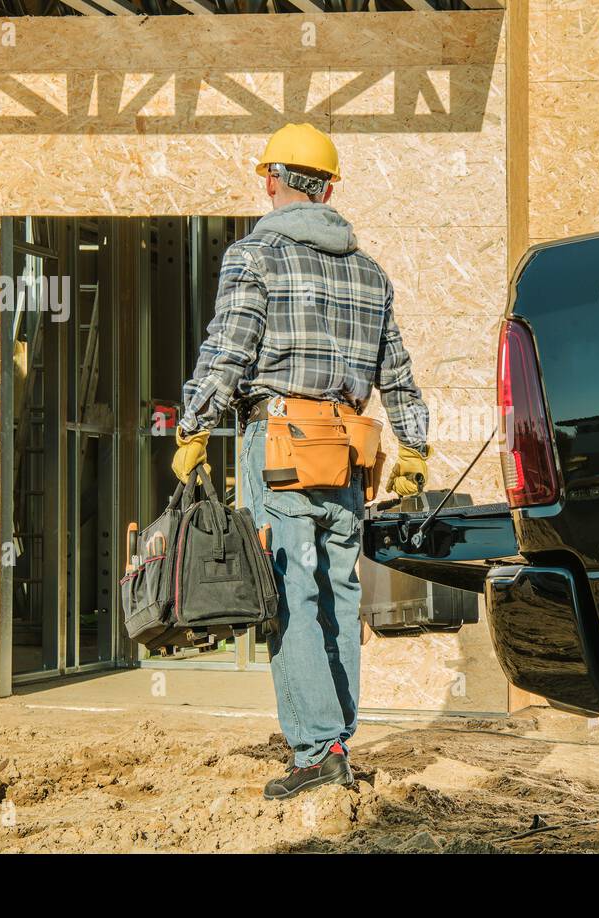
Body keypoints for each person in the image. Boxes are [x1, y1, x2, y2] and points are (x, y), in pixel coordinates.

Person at [172, 122, 431, 800]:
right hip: (347, 454)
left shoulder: (253, 256)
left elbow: (230, 351)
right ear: (331, 188)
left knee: (290, 594)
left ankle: (317, 752)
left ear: (271, 180)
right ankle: (338, 736)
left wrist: (194, 425)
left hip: (281, 445)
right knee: (339, 595)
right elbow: (398, 372)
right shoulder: (369, 272)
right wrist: (416, 447)